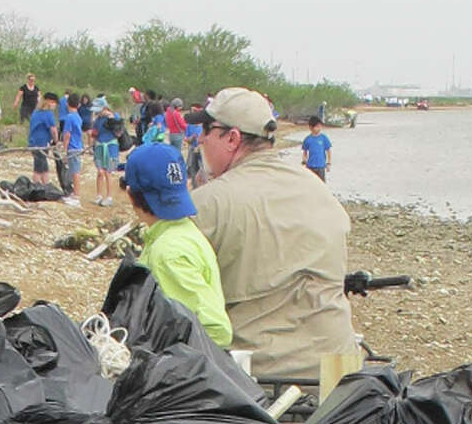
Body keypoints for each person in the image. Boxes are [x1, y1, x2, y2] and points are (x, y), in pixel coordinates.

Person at [193, 86, 355, 379]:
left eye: (207, 129)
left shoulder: (208, 203)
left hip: (259, 375)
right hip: (339, 368)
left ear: (232, 138)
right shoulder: (317, 189)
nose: (200, 139)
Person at [122, 144, 232, 346]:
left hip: (182, 372)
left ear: (130, 195)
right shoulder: (186, 232)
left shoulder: (167, 252)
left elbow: (217, 330)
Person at [91, 97, 122, 205]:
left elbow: (119, 132)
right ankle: (99, 195)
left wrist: (112, 120)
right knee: (100, 171)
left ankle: (109, 197)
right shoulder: (97, 120)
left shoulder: (114, 117)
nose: (97, 112)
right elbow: (94, 134)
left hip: (111, 147)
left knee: (108, 172)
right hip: (99, 146)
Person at [28, 91, 58, 186]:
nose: (55, 106)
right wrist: (56, 141)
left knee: (44, 166)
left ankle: (46, 185)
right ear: (49, 102)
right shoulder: (48, 114)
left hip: (33, 142)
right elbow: (53, 130)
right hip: (41, 144)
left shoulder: (36, 112)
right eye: (54, 103)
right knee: (38, 168)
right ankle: (35, 186)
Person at [60, 93, 84, 202]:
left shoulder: (69, 117)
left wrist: (64, 151)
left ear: (67, 104)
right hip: (78, 146)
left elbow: (67, 135)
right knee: (74, 171)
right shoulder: (78, 116)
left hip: (72, 147)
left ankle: (76, 195)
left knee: (75, 172)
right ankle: (75, 193)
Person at [301, 116, 333, 181]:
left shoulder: (324, 138)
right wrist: (304, 162)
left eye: (320, 126)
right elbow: (305, 152)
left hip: (320, 166)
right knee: (311, 183)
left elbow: (328, 150)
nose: (319, 128)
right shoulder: (308, 139)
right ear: (311, 127)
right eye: (317, 126)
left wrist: (328, 163)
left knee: (321, 183)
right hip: (310, 166)